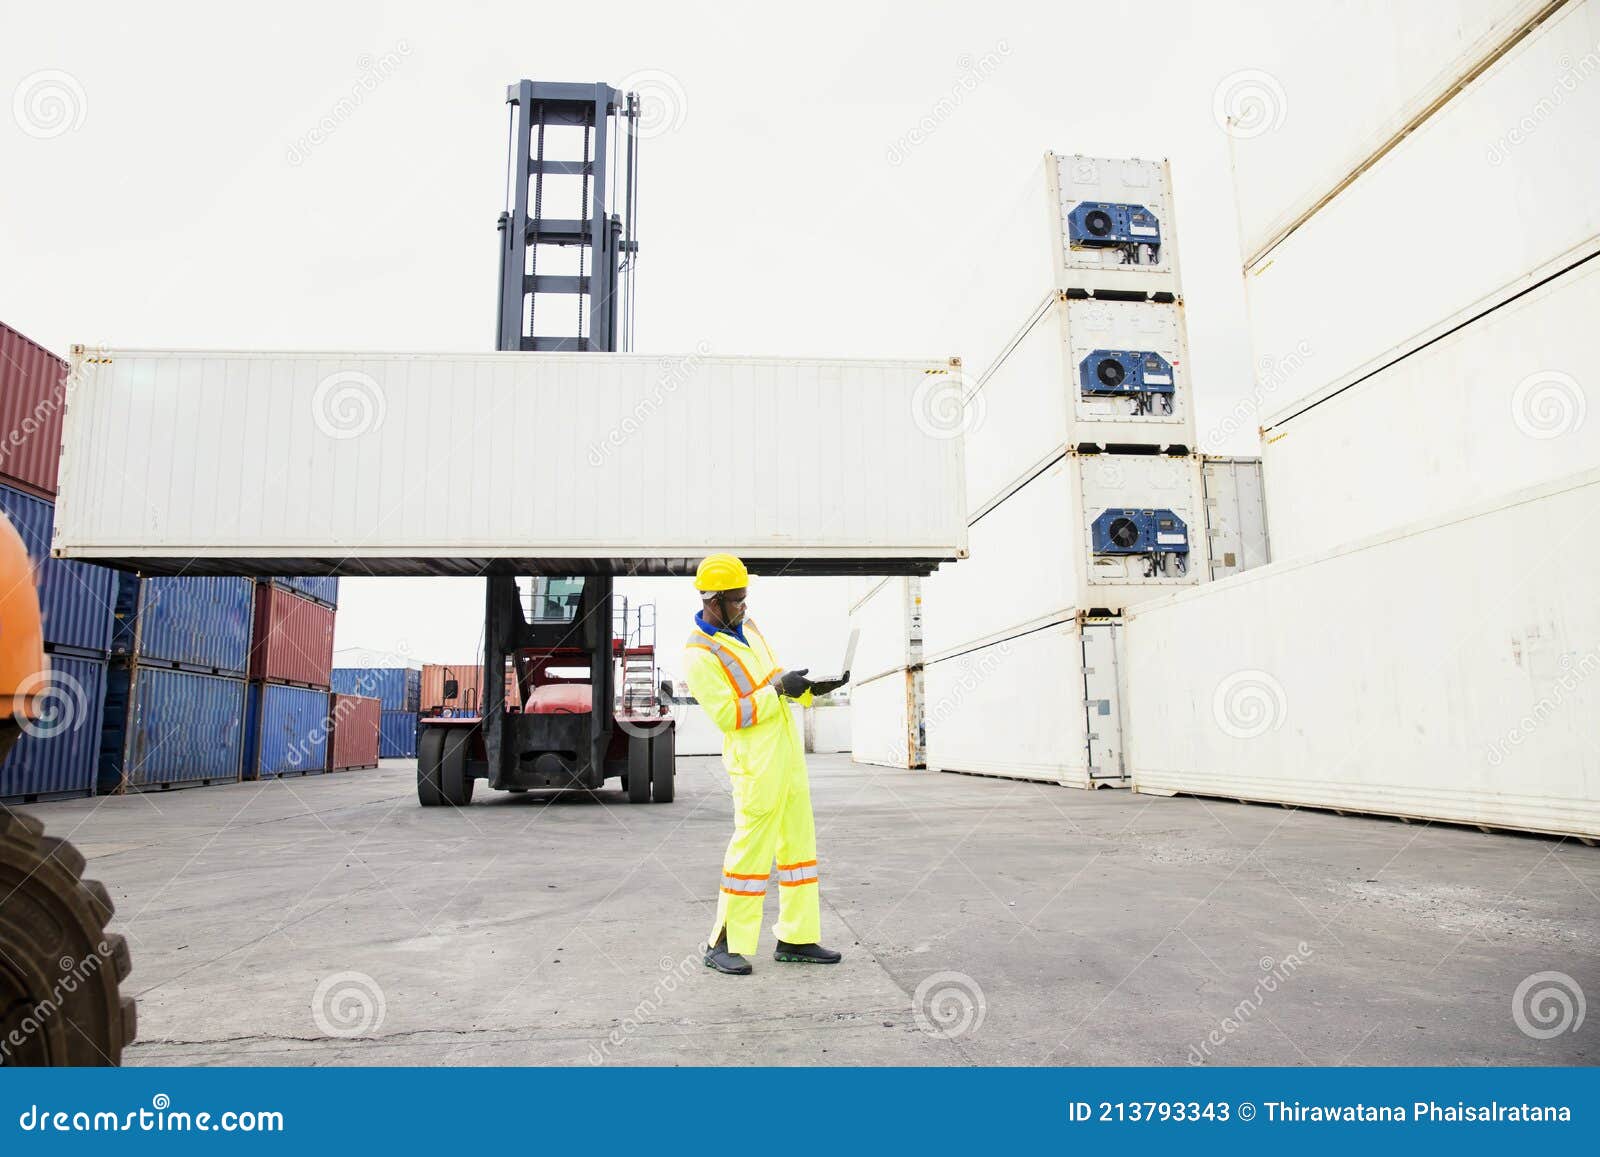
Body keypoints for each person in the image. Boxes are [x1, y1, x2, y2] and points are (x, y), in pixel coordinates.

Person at [683, 554, 848, 975]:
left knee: (798, 846)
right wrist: (777, 691)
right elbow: (728, 715)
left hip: (786, 753)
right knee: (750, 850)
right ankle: (721, 942)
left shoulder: (750, 630)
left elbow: (775, 679)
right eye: (737, 599)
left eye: (744, 598)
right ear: (713, 600)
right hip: (755, 763)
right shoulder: (699, 654)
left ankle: (797, 936)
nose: (743, 606)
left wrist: (811, 689)